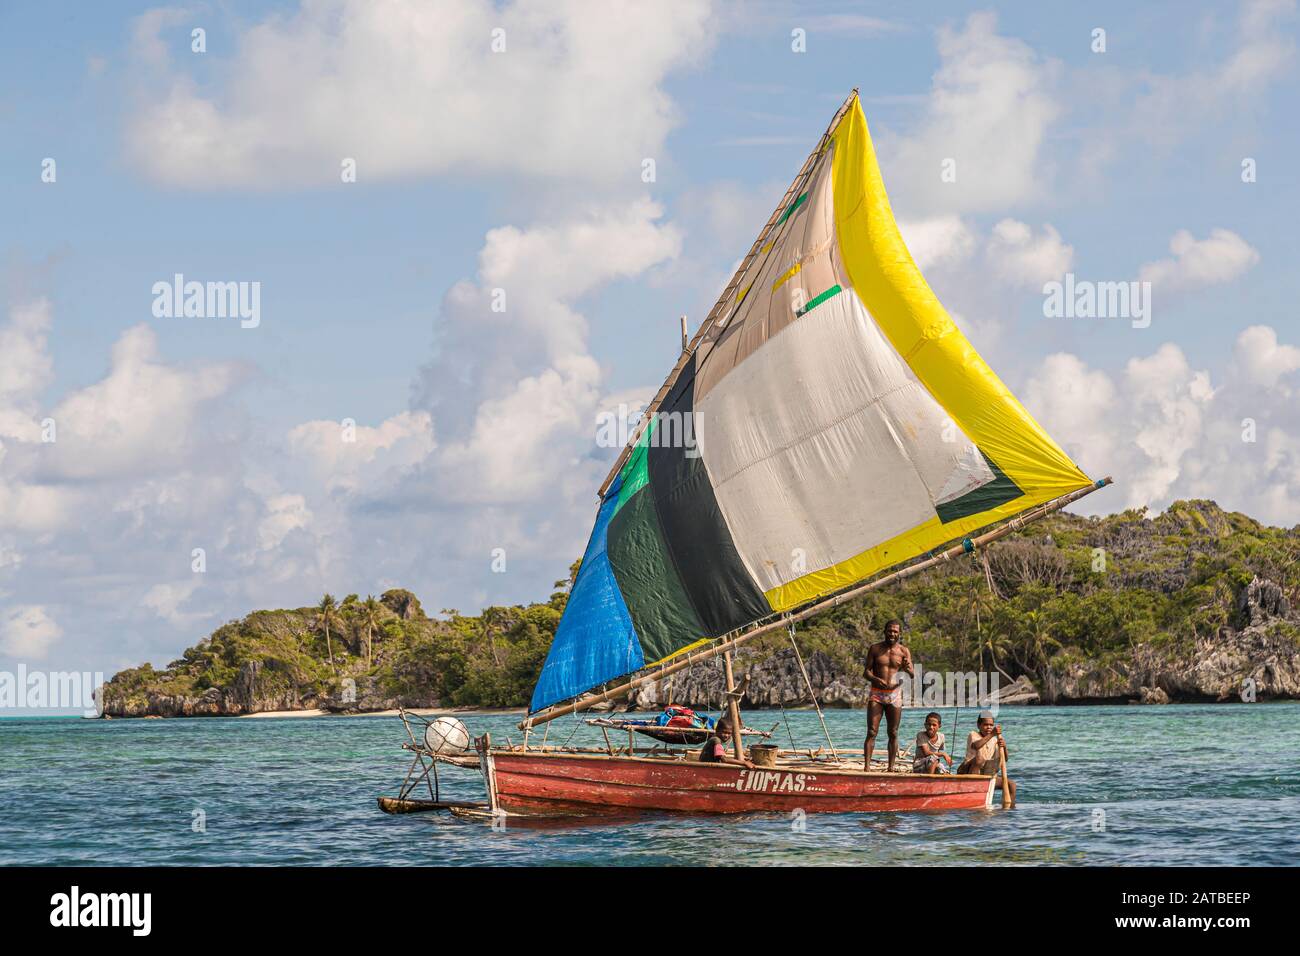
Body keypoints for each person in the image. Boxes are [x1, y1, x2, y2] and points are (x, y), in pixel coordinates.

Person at [863, 619, 913, 771]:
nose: (892, 633)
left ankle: (891, 768)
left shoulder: (904, 651)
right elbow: (866, 672)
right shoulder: (875, 649)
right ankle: (867, 767)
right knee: (872, 731)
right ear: (884, 632)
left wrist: (906, 669)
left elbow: (911, 674)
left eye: (895, 631)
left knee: (893, 732)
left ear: (899, 634)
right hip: (877, 694)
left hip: (895, 695)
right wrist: (875, 679)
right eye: (890, 631)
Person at [957, 711, 1016, 804]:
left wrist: (1004, 747)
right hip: (969, 772)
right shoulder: (973, 735)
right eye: (985, 725)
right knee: (979, 759)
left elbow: (1005, 759)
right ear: (978, 725)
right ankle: (973, 792)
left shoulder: (995, 740)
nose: (989, 727)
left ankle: (1008, 808)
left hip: (987, 776)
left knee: (1011, 785)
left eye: (991, 725)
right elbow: (976, 746)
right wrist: (992, 734)